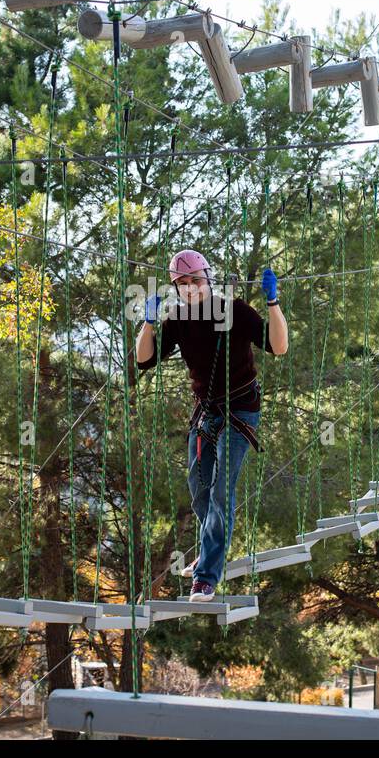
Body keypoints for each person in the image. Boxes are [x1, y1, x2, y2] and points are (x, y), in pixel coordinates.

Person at [135, 249, 288, 603]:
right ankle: (208, 551)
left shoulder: (235, 310)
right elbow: (144, 360)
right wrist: (148, 323)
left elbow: (278, 347)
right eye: (182, 284)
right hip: (206, 413)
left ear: (209, 278)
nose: (190, 288)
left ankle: (206, 577)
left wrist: (273, 303)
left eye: (196, 281)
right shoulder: (177, 319)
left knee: (221, 490)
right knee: (199, 488)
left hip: (240, 411)